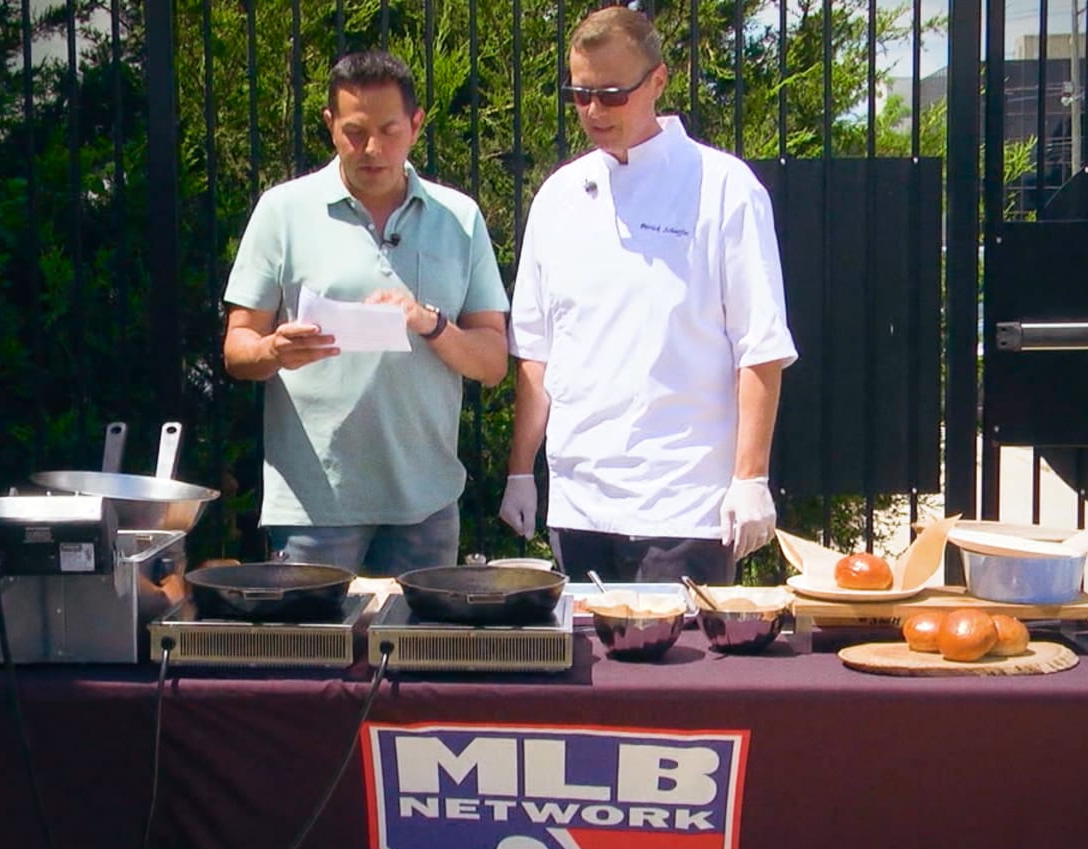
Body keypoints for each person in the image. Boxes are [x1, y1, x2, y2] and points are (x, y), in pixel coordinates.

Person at [497, 6, 797, 585]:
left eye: (612, 94)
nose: (593, 111)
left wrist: (750, 478)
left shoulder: (724, 187)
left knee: (676, 674)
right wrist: (520, 471)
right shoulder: (558, 197)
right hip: (579, 503)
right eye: (580, 95)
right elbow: (536, 353)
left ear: (657, 81)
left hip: (684, 504)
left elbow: (759, 348)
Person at [223, 50, 508, 575]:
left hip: (426, 504)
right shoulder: (283, 210)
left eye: (389, 130)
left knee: (418, 655)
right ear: (330, 125)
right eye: (355, 132)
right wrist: (273, 350)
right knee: (316, 655)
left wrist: (433, 324)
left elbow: (493, 362)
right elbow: (237, 348)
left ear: (416, 125)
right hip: (315, 507)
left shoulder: (459, 217)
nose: (372, 149)